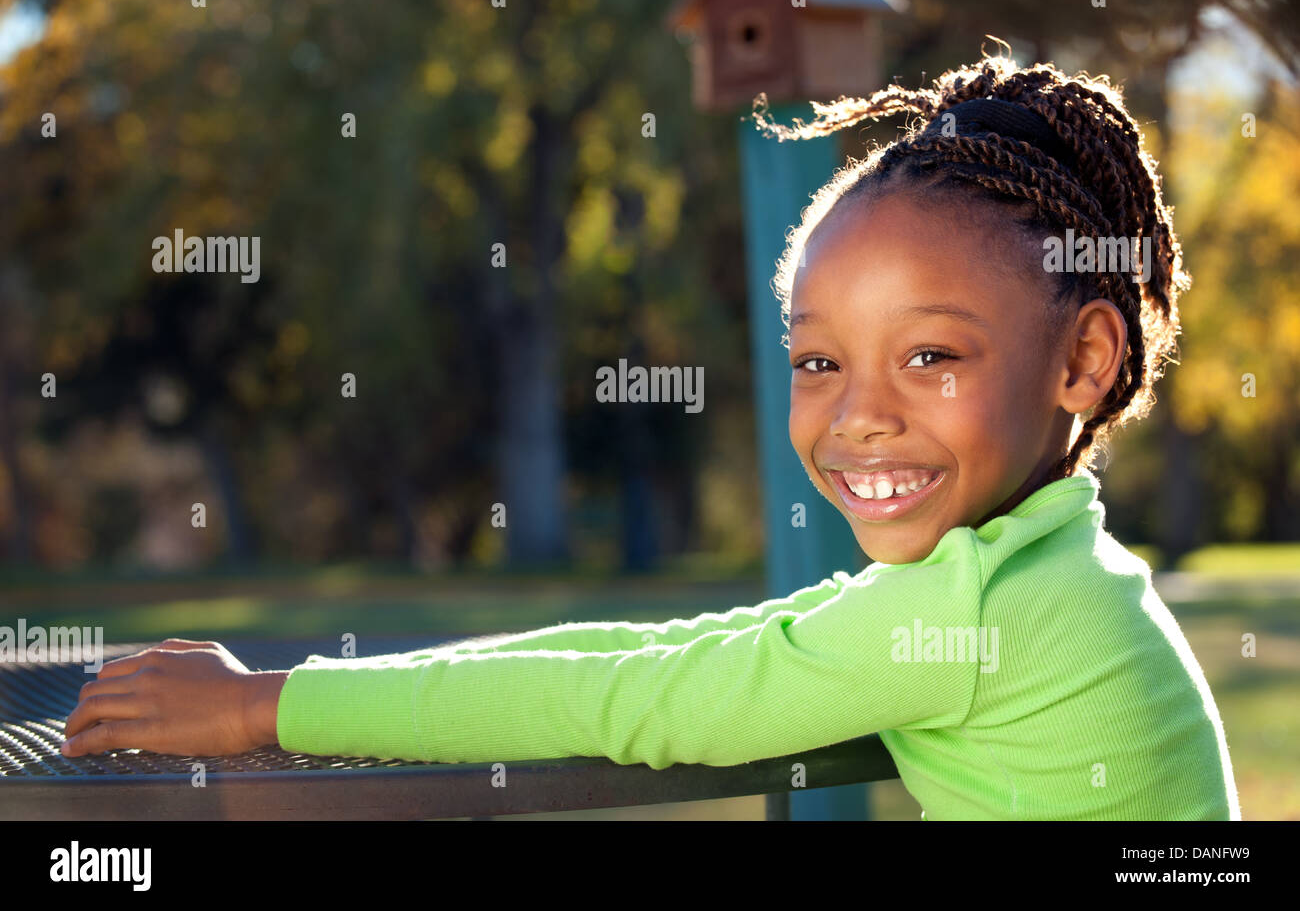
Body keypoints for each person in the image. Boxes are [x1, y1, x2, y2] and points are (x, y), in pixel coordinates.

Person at [61, 49, 1240, 820]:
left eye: (931, 356)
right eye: (818, 362)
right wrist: (287, 687)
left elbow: (630, 695)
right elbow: (677, 652)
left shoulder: (973, 608)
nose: (859, 414)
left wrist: (265, 707)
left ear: (1082, 360)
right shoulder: (1049, 568)